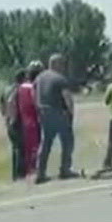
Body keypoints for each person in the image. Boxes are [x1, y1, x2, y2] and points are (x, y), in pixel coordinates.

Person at [32, 53, 76, 183]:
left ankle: (40, 172)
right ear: (56, 64)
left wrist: (39, 107)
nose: (63, 66)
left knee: (46, 142)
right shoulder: (60, 79)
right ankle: (65, 169)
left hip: (43, 112)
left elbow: (33, 94)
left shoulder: (39, 78)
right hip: (58, 112)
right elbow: (67, 97)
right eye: (61, 63)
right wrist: (71, 113)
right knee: (67, 141)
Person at [16, 61, 42, 178]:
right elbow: (37, 103)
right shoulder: (34, 88)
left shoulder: (20, 88)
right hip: (35, 120)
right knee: (36, 146)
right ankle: (34, 170)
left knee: (27, 147)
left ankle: (28, 170)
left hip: (23, 120)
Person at [2, 69, 28, 181]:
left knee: (15, 148)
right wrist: (14, 117)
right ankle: (20, 174)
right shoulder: (19, 90)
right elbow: (11, 102)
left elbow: (2, 105)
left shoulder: (6, 90)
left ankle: (15, 174)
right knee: (21, 148)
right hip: (17, 120)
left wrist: (6, 116)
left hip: (8, 121)